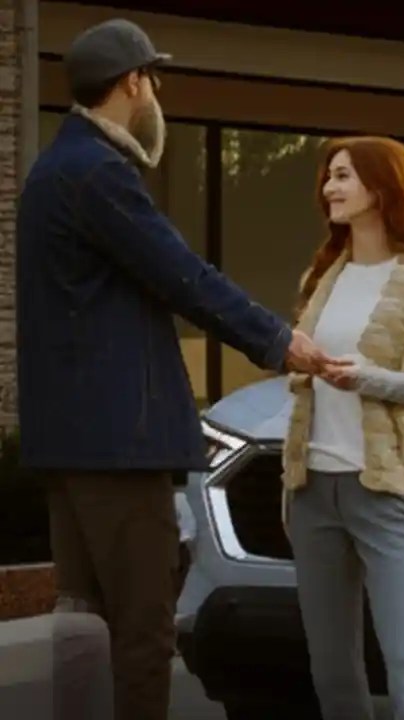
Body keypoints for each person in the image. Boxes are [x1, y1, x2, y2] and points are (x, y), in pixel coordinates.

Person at [14, 19, 337, 720]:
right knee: (140, 631)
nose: (156, 90)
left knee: (81, 622)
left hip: (70, 445)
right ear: (134, 83)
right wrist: (281, 341)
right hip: (118, 445)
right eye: (152, 77)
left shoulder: (50, 169)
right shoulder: (99, 172)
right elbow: (183, 277)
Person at [281, 136, 404, 720]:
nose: (330, 188)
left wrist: (369, 379)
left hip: (385, 489)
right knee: (330, 668)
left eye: (343, 176)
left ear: (382, 188)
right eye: (328, 178)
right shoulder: (322, 280)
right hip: (312, 488)